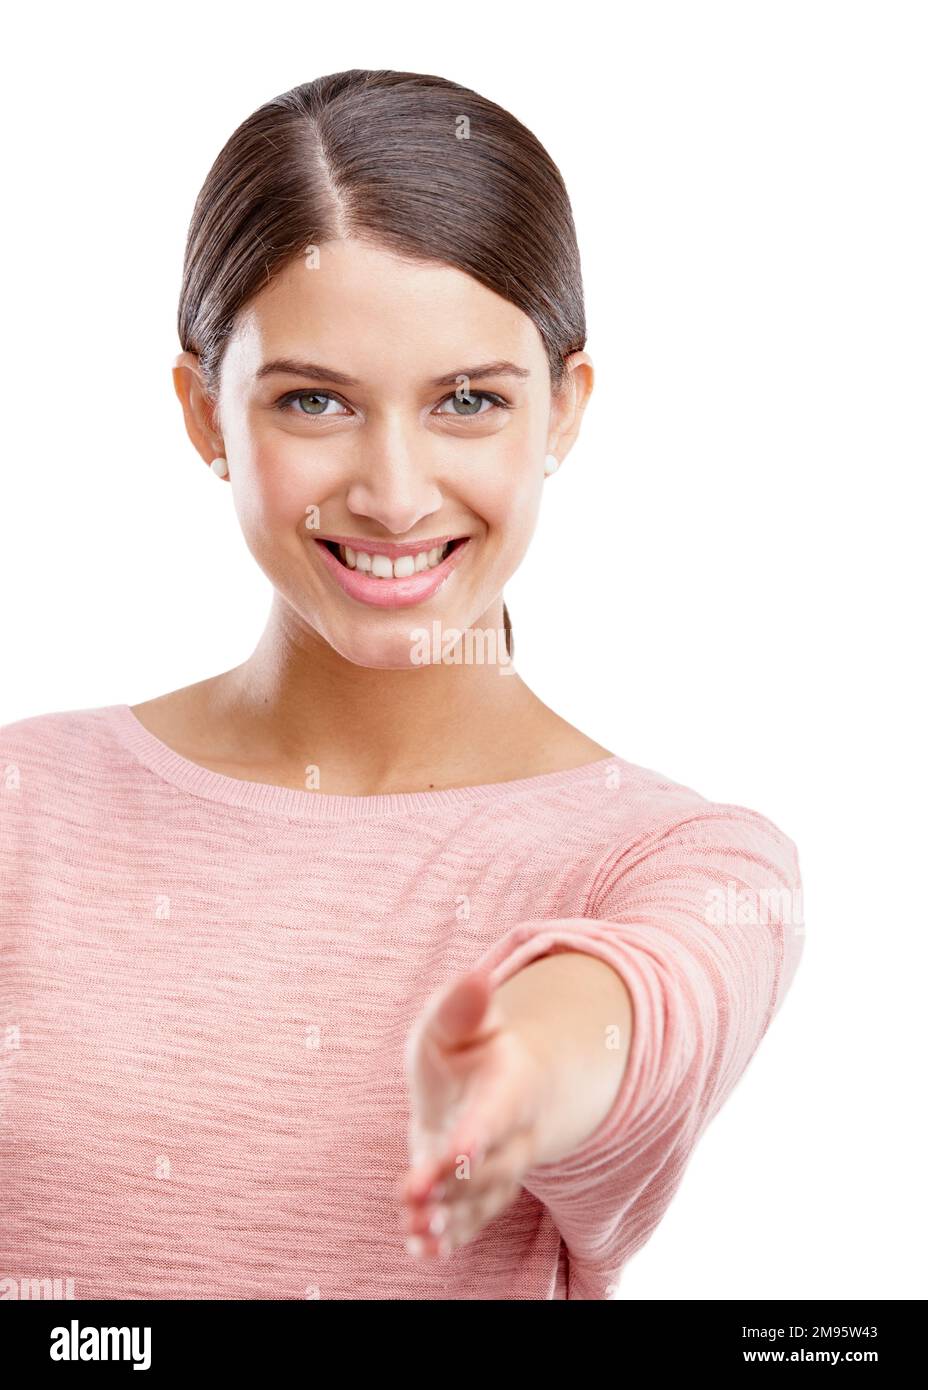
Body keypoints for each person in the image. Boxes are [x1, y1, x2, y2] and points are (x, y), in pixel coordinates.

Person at [0, 68, 803, 1301]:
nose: (392, 490)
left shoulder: (685, 860)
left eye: (468, 402)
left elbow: (645, 1005)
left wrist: (517, 1081)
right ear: (204, 413)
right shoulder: (21, 808)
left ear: (564, 410)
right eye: (313, 399)